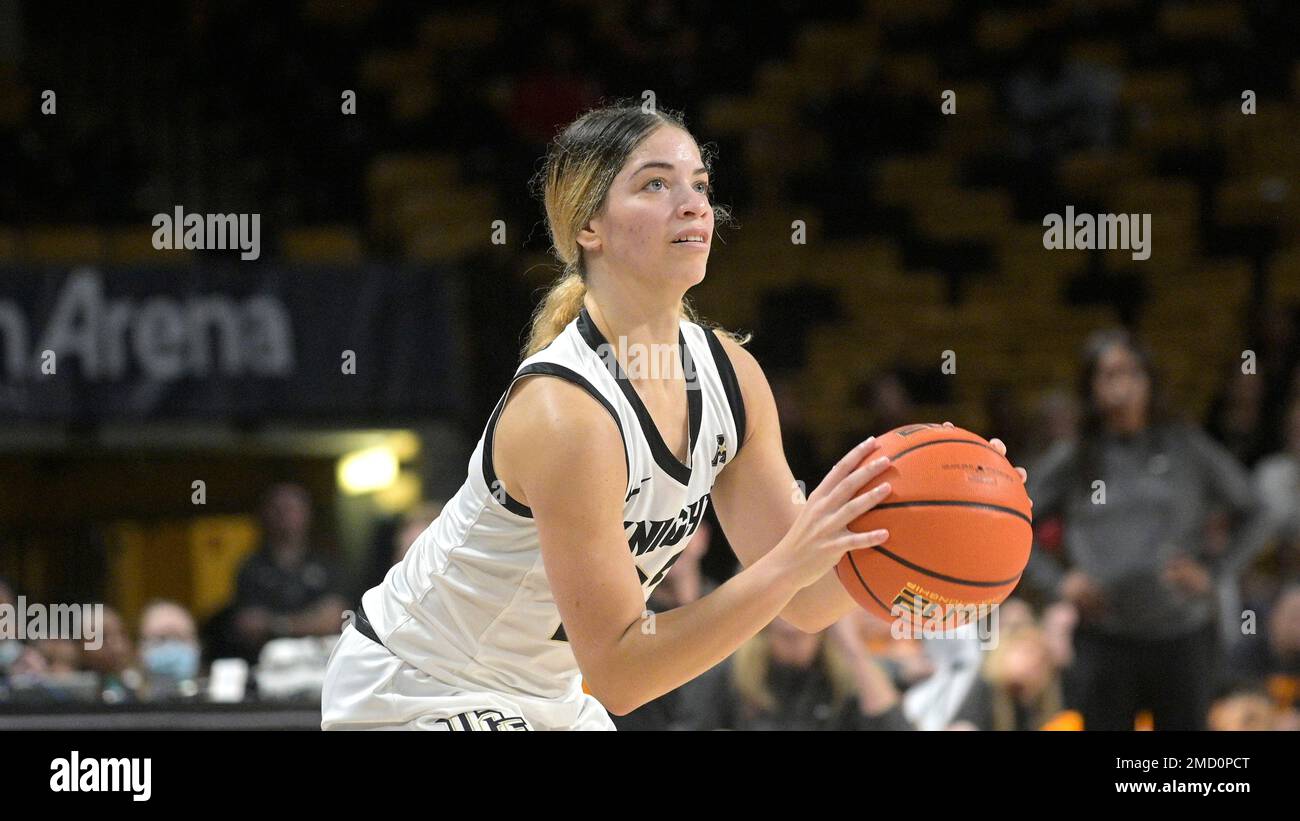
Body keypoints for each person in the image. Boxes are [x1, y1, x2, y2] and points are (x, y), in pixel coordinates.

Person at [320, 101, 1027, 731]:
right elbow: (625, 673)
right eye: (656, 184)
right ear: (589, 225)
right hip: (419, 684)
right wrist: (789, 562)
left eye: (700, 185)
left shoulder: (732, 379)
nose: (693, 205)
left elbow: (805, 602)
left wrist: (931, 525)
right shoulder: (567, 413)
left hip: (546, 694)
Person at [1024, 328, 1262, 729]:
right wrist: (1058, 583)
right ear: (1091, 387)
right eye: (1108, 375)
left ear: (1149, 381)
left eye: (1131, 373)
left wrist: (1214, 573)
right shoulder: (1075, 457)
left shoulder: (1185, 447)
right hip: (1105, 637)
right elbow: (1013, 522)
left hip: (1182, 632)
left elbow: (1256, 510)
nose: (1121, 386)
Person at [228, 483, 349, 662]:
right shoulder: (251, 567)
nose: (284, 517)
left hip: (322, 662)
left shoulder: (326, 563)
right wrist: (309, 620)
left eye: (292, 509)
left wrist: (276, 624)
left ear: (307, 513)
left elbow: (333, 619)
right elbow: (249, 625)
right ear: (265, 514)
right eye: (277, 510)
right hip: (267, 664)